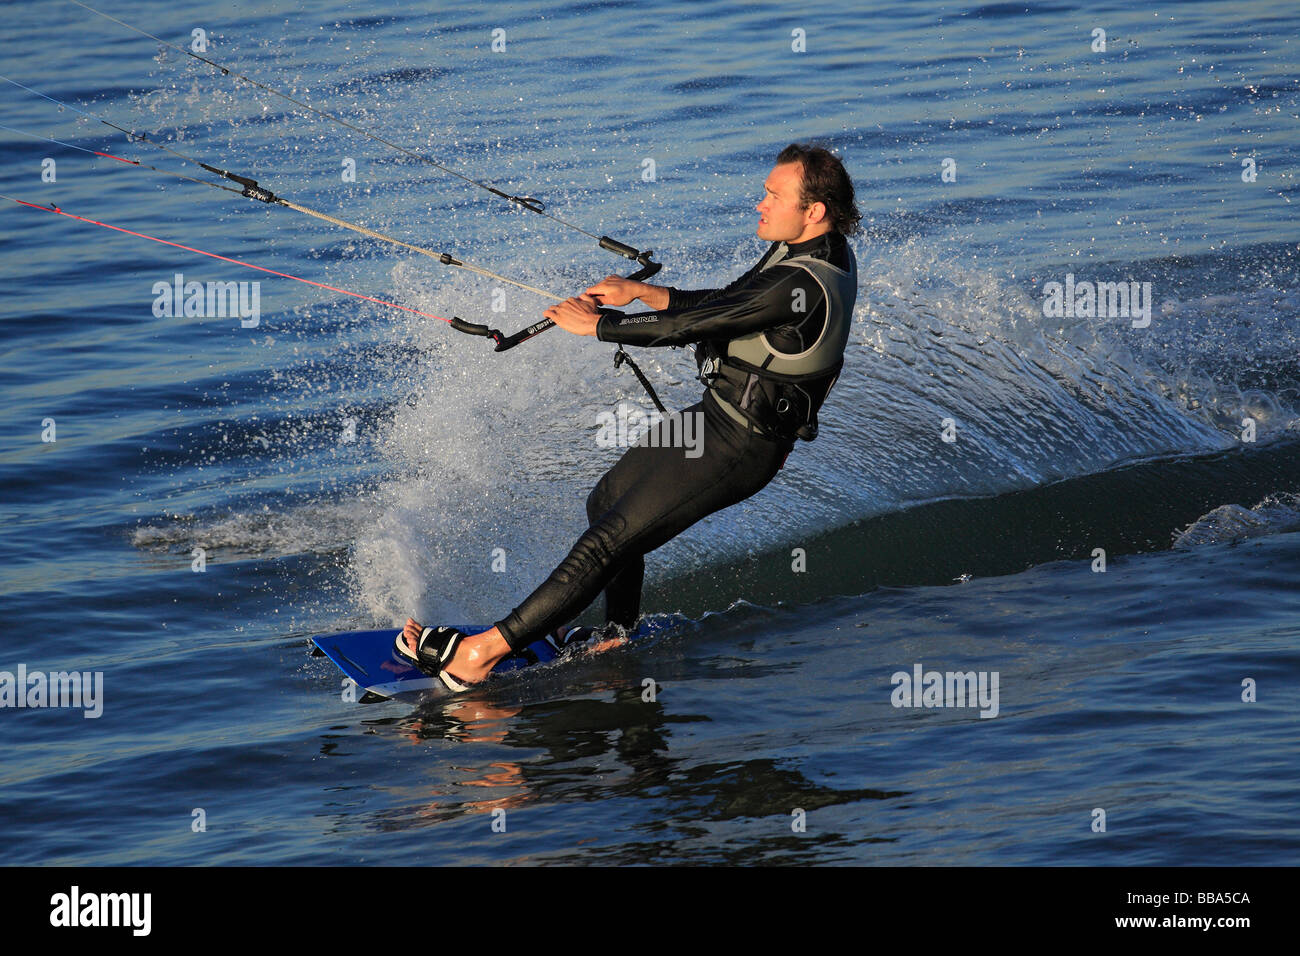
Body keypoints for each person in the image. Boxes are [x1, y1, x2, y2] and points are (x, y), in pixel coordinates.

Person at [398, 143, 861, 691]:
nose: (760, 203)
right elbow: (729, 303)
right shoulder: (801, 251)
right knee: (604, 502)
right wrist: (643, 292)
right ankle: (617, 634)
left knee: (606, 542)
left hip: (740, 444)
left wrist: (599, 327)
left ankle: (478, 655)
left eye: (774, 195)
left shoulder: (804, 283)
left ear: (814, 210)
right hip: (714, 419)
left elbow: (684, 331)